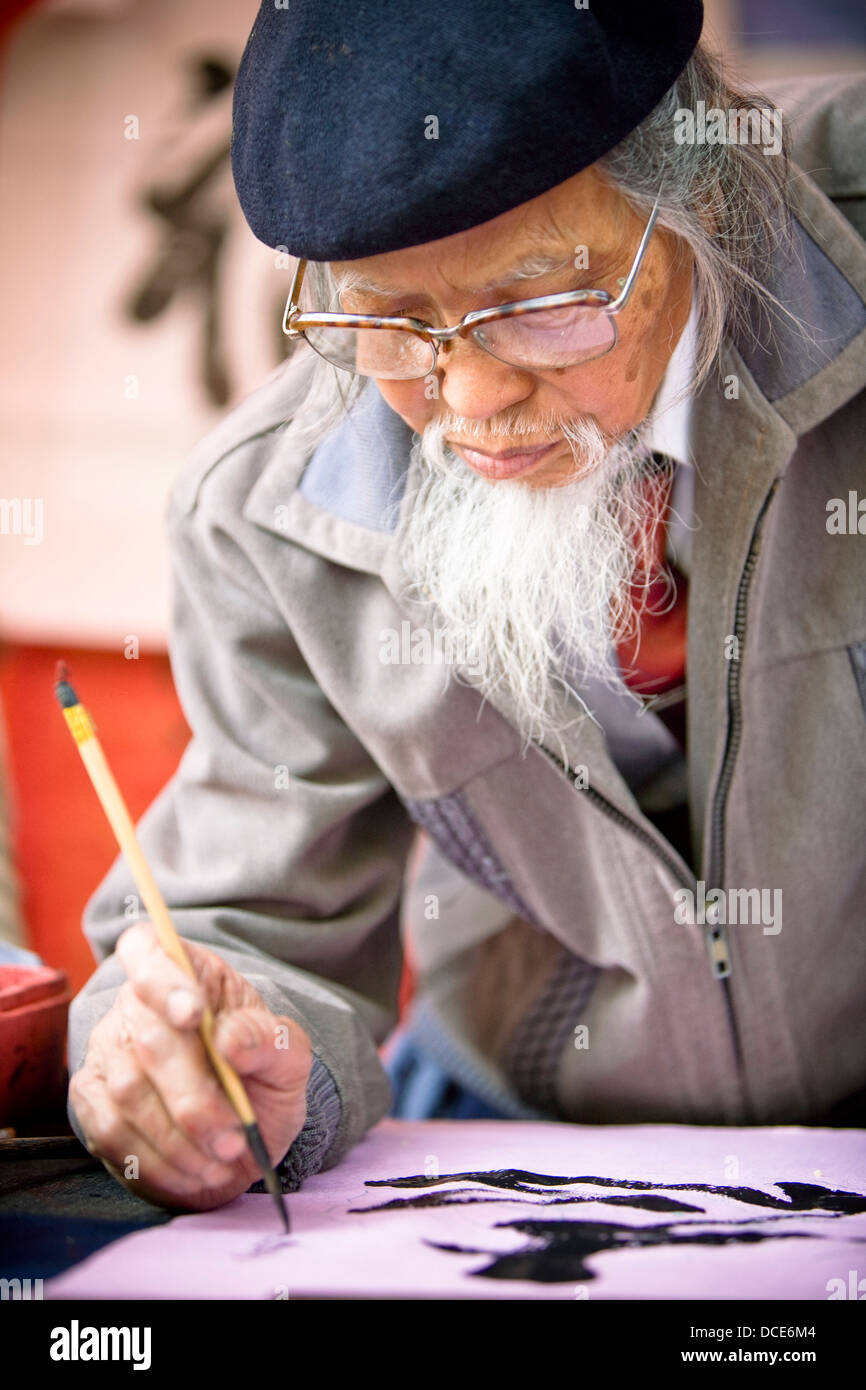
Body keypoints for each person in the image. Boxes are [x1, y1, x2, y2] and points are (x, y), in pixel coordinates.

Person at [66, 0, 866, 1216]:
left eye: (539, 303)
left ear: (699, 195)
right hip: (531, 1147)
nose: (472, 396)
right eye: (390, 322)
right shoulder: (277, 515)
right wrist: (204, 1054)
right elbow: (248, 922)